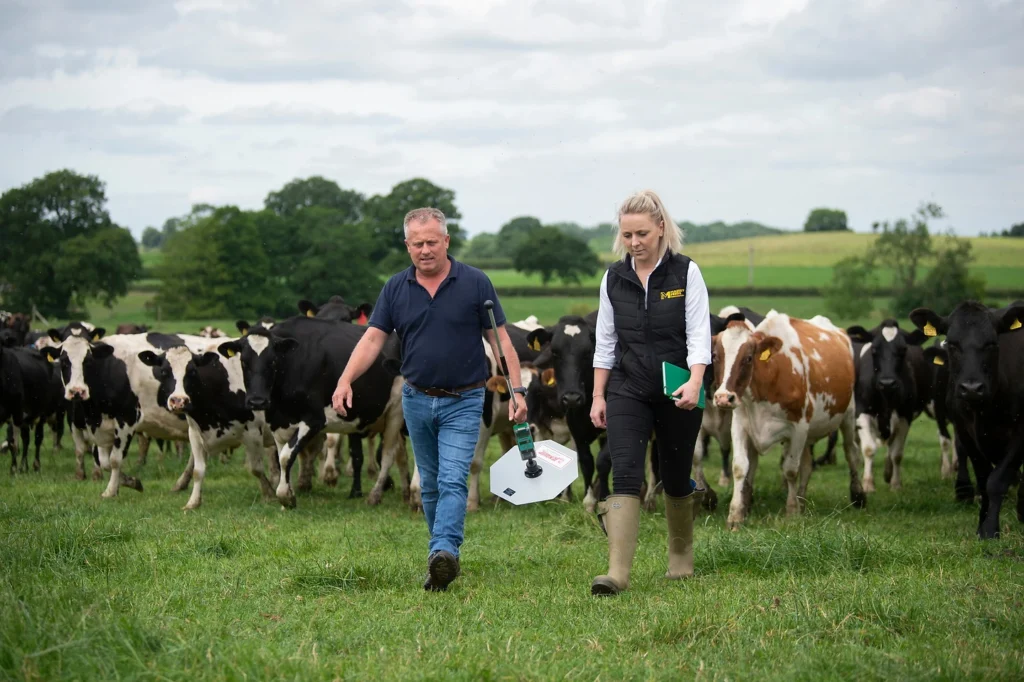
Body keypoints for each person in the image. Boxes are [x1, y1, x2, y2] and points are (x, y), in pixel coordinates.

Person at [331, 207, 528, 592]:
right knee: (432, 484)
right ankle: (440, 557)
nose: (425, 250)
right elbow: (372, 338)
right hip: (417, 400)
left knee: (454, 478)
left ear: (447, 242)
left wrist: (517, 389)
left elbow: (500, 339)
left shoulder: (475, 283)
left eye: (432, 242)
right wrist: (345, 379)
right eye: (417, 243)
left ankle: (444, 552)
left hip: (466, 398)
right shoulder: (395, 288)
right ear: (407, 246)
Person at [588, 189, 712, 596]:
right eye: (627, 235)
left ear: (661, 228)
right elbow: (604, 342)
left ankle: (680, 559)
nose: (635, 242)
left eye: (641, 233)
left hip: (678, 384)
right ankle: (617, 573)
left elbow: (699, 335)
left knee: (675, 476)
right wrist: (598, 396)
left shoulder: (685, 273)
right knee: (625, 472)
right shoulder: (613, 277)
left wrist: (695, 381)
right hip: (627, 385)